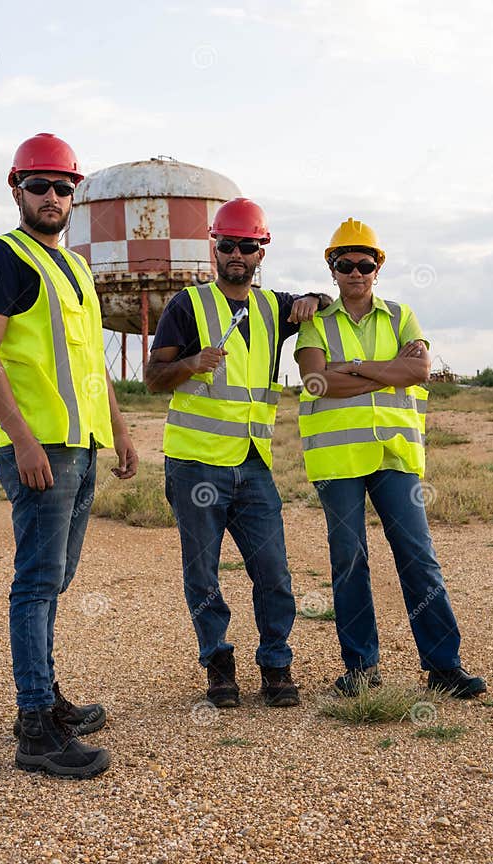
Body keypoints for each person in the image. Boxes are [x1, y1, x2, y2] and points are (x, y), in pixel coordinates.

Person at [0, 133, 138, 778]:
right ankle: (37, 728)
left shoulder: (74, 267)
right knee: (37, 584)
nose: (52, 196)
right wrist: (22, 437)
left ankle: (43, 699)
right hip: (41, 449)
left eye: (63, 187)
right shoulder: (1, 258)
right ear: (15, 190)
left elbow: (91, 362)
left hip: (84, 444)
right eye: (38, 185)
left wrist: (120, 430)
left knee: (55, 580)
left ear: (75, 195)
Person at [146, 198, 331, 708]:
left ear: (260, 252)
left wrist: (315, 298)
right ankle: (219, 666)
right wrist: (192, 362)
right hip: (195, 463)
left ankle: (276, 665)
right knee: (203, 575)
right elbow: (152, 377)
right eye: (226, 244)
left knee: (273, 571)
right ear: (214, 247)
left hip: (253, 465)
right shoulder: (187, 306)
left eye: (246, 246)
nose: (236, 254)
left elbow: (326, 303)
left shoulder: (273, 308)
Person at [295, 218, 486, 699]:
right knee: (349, 561)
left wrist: (354, 368)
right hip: (338, 463)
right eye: (345, 264)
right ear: (332, 269)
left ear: (377, 268)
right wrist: (388, 373)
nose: (355, 272)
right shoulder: (315, 323)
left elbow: (420, 368)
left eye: (365, 263)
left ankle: (444, 666)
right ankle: (361, 669)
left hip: (395, 456)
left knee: (418, 557)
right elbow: (316, 382)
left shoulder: (402, 315)